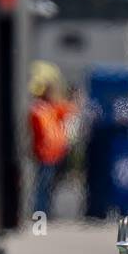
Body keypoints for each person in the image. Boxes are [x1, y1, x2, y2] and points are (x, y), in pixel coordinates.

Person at [28, 62, 76, 218]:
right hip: (45, 156)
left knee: (48, 188)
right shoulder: (38, 110)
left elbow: (68, 110)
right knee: (43, 188)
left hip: (54, 155)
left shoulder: (50, 108)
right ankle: (40, 215)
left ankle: (44, 214)